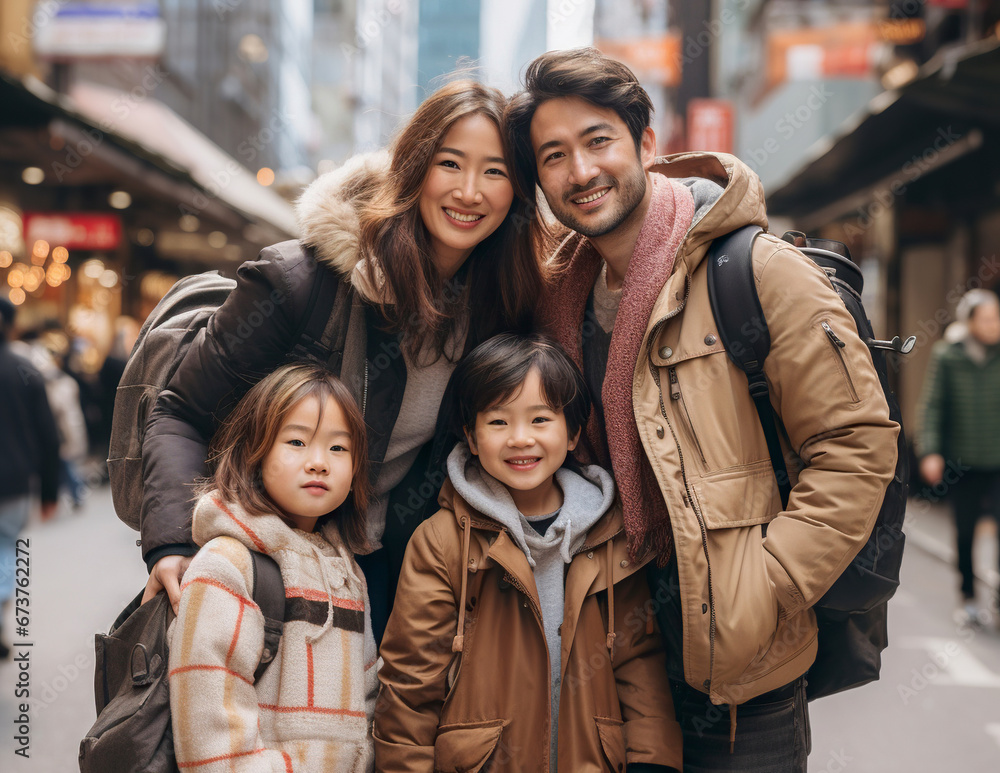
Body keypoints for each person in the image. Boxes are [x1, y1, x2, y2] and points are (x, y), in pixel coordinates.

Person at [506, 48, 899, 771]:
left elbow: (857, 447)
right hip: (617, 667)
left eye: (598, 141)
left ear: (646, 145)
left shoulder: (758, 273)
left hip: (744, 683)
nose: (581, 171)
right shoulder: (554, 304)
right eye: (553, 156)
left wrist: (766, 584)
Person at [139, 79, 544, 641]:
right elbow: (181, 410)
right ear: (413, 167)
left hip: (386, 571)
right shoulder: (299, 282)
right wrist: (172, 544)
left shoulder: (500, 311)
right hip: (265, 562)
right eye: (450, 163)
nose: (470, 191)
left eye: (495, 171)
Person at [375, 333, 682, 772]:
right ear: (472, 436)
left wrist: (653, 764)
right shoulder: (441, 541)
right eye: (498, 422)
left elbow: (638, 663)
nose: (520, 439)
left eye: (540, 420)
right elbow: (409, 685)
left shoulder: (608, 534)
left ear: (573, 432)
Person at [169, 362, 377, 772]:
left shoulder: (347, 571)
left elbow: (368, 695)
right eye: (297, 442)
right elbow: (210, 729)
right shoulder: (227, 566)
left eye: (338, 448)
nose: (319, 462)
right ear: (255, 452)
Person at [917, 288, 1000, 624]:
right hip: (962, 461)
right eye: (987, 318)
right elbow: (934, 406)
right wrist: (931, 451)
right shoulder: (947, 355)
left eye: (998, 318)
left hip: (998, 461)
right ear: (970, 322)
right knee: (965, 532)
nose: (994, 324)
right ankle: (967, 596)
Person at [0, 297, 61, 659]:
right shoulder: (25, 371)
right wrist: (50, 491)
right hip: (15, 482)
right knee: (6, 546)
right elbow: (48, 436)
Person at [13, 325, 89, 508]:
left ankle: (74, 490)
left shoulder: (30, 356)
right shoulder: (31, 354)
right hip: (56, 417)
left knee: (61, 457)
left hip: (54, 416)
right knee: (61, 457)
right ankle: (74, 491)